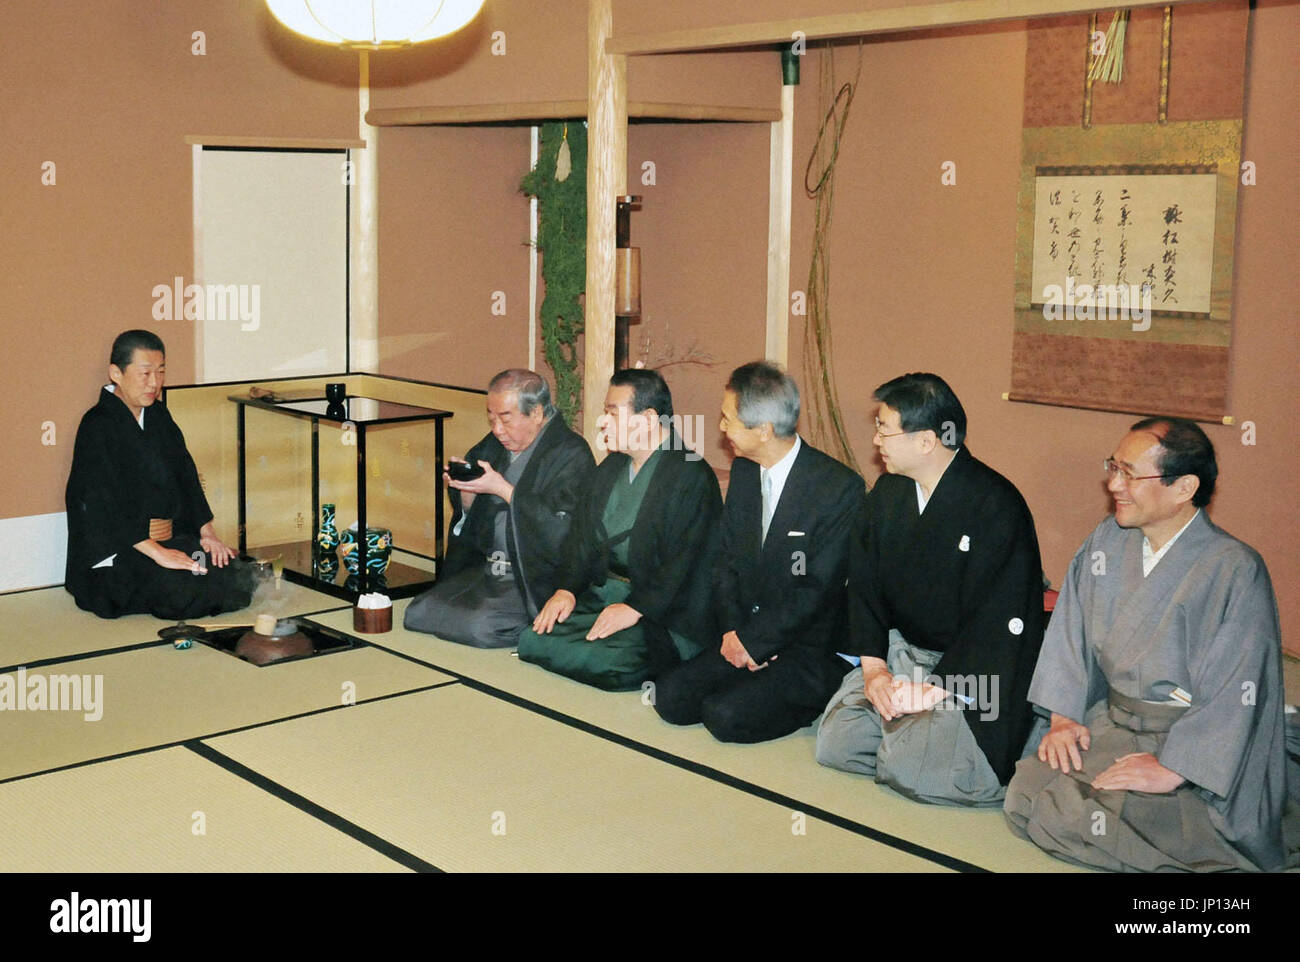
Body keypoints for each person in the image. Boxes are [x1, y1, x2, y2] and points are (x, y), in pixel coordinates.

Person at [1004, 417, 1300, 871]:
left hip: (1187, 739)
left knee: (1110, 816)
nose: (1113, 483)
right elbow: (1070, 633)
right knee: (1029, 792)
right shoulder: (1108, 539)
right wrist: (1063, 718)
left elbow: (1241, 685)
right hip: (1111, 720)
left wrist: (1176, 769)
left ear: (1184, 487)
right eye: (1113, 467)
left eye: (1128, 473)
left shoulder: (1234, 569)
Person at [815, 373, 1045, 806]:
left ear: (926, 441)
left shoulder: (995, 504)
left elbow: (1002, 619)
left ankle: (938, 739)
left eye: (884, 427)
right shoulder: (889, 492)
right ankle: (911, 736)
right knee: (837, 745)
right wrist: (875, 670)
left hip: (970, 675)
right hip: (904, 656)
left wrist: (933, 689)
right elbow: (863, 585)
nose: (877, 438)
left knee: (911, 771)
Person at [652, 362, 864, 743]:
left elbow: (818, 589)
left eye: (728, 419)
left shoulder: (838, 488)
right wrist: (736, 634)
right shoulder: (747, 473)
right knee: (671, 698)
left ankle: (809, 702)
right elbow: (725, 562)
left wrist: (759, 643)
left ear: (763, 430)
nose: (721, 428)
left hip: (804, 646)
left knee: (723, 716)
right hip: (743, 632)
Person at [517, 369, 722, 691]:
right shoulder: (611, 467)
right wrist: (567, 589)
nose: (602, 422)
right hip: (604, 598)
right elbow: (580, 540)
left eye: (612, 413)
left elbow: (687, 564)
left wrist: (636, 608)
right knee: (532, 639)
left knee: (609, 661)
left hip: (663, 612)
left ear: (648, 419)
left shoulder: (691, 476)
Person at [65, 329, 252, 619]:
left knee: (238, 574)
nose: (155, 383)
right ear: (116, 373)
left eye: (161, 372)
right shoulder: (97, 425)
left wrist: (208, 534)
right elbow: (100, 504)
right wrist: (158, 553)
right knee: (182, 590)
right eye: (145, 373)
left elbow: (186, 476)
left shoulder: (159, 416)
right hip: (117, 552)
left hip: (168, 539)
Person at [404, 369, 594, 648]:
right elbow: (469, 515)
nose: (497, 429)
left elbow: (563, 529)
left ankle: (536, 627)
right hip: (486, 568)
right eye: (491, 418)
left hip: (530, 577)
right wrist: (466, 493)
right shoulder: (493, 445)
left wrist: (503, 490)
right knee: (418, 614)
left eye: (506, 418)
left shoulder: (571, 453)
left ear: (537, 413)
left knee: (480, 628)